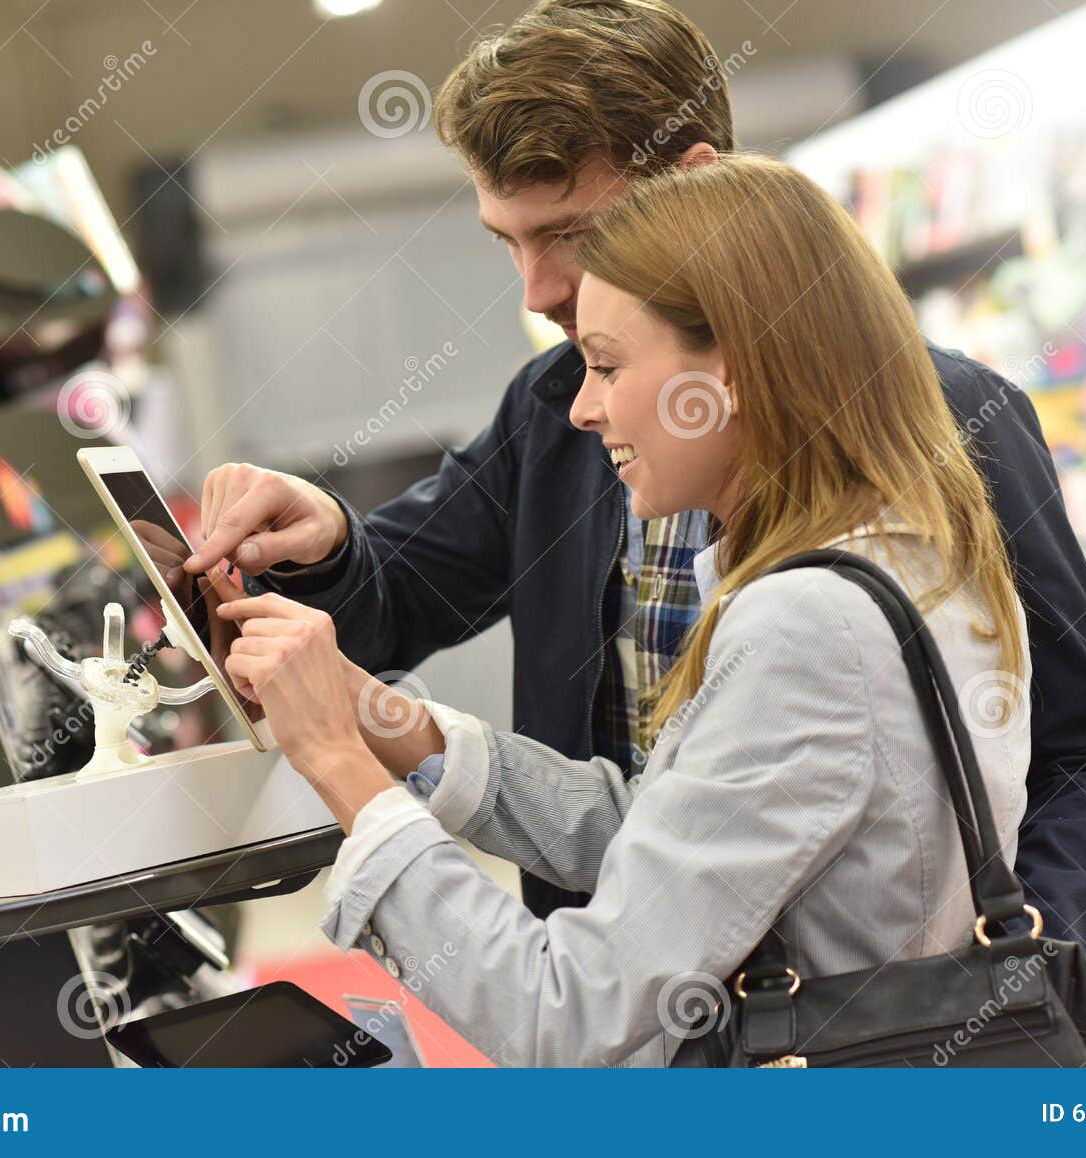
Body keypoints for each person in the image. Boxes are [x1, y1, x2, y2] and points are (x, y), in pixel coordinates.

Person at [183, 0, 1086, 964]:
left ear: (696, 186)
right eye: (507, 242)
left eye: (569, 234)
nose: (536, 292)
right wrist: (327, 544)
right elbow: (402, 605)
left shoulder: (946, 419)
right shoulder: (555, 411)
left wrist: (1025, 987)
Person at [207, 155, 1032, 1066]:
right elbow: (660, 830)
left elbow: (567, 1020)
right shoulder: (903, 552)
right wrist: (372, 714)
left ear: (735, 370)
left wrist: (334, 761)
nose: (585, 410)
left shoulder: (806, 623)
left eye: (605, 366)